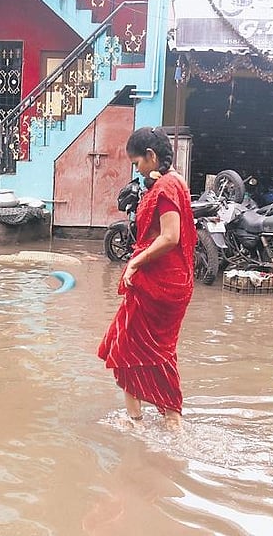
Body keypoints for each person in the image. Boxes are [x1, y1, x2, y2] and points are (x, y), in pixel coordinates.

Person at [98, 127, 196, 428]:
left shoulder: (165, 189)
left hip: (158, 284)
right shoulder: (175, 180)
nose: (137, 170)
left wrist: (134, 263)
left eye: (138, 163)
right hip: (174, 283)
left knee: (126, 347)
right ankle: (167, 419)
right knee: (156, 351)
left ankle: (139, 422)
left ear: (151, 157)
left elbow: (170, 237)